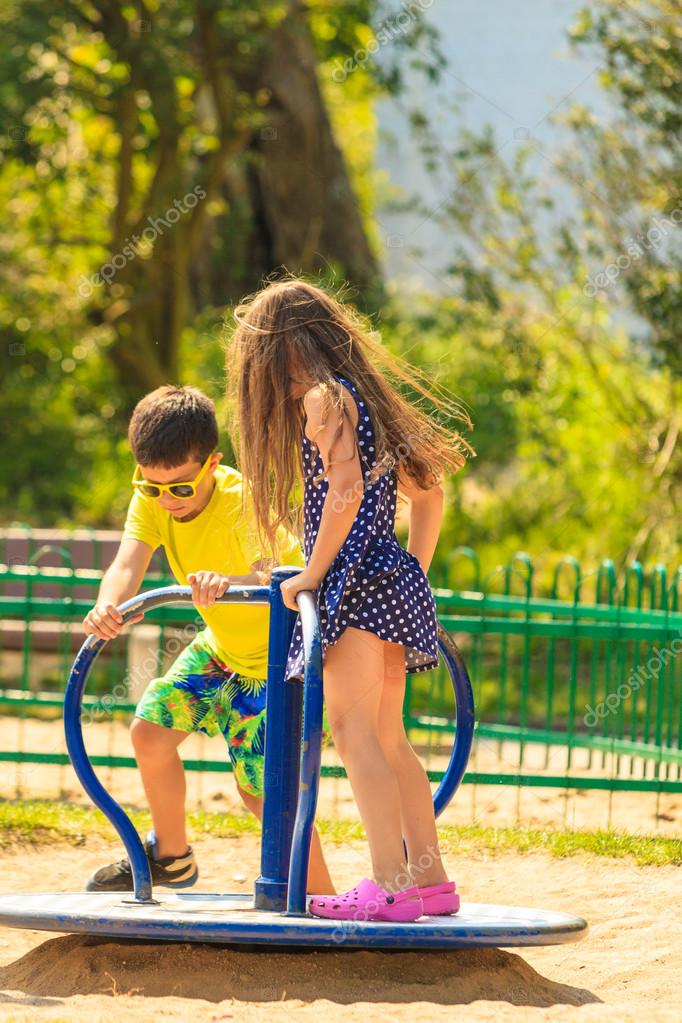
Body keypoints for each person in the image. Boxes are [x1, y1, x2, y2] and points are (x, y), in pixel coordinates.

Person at [225, 277, 476, 922]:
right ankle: (429, 880)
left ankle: (389, 883)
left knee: (352, 731)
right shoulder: (363, 398)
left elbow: (346, 486)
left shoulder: (322, 398)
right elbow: (430, 494)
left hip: (357, 587)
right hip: (387, 582)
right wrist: (410, 575)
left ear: (282, 350)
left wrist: (312, 572)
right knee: (390, 738)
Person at [82, 384, 334, 895]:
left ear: (212, 463)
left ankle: (323, 900)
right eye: (152, 486)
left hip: (278, 664)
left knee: (263, 794)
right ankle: (171, 858)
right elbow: (128, 563)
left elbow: (280, 577)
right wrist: (109, 604)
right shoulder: (152, 499)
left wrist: (228, 581)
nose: (165, 500)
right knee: (149, 733)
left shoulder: (239, 501)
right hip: (222, 652)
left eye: (179, 487)